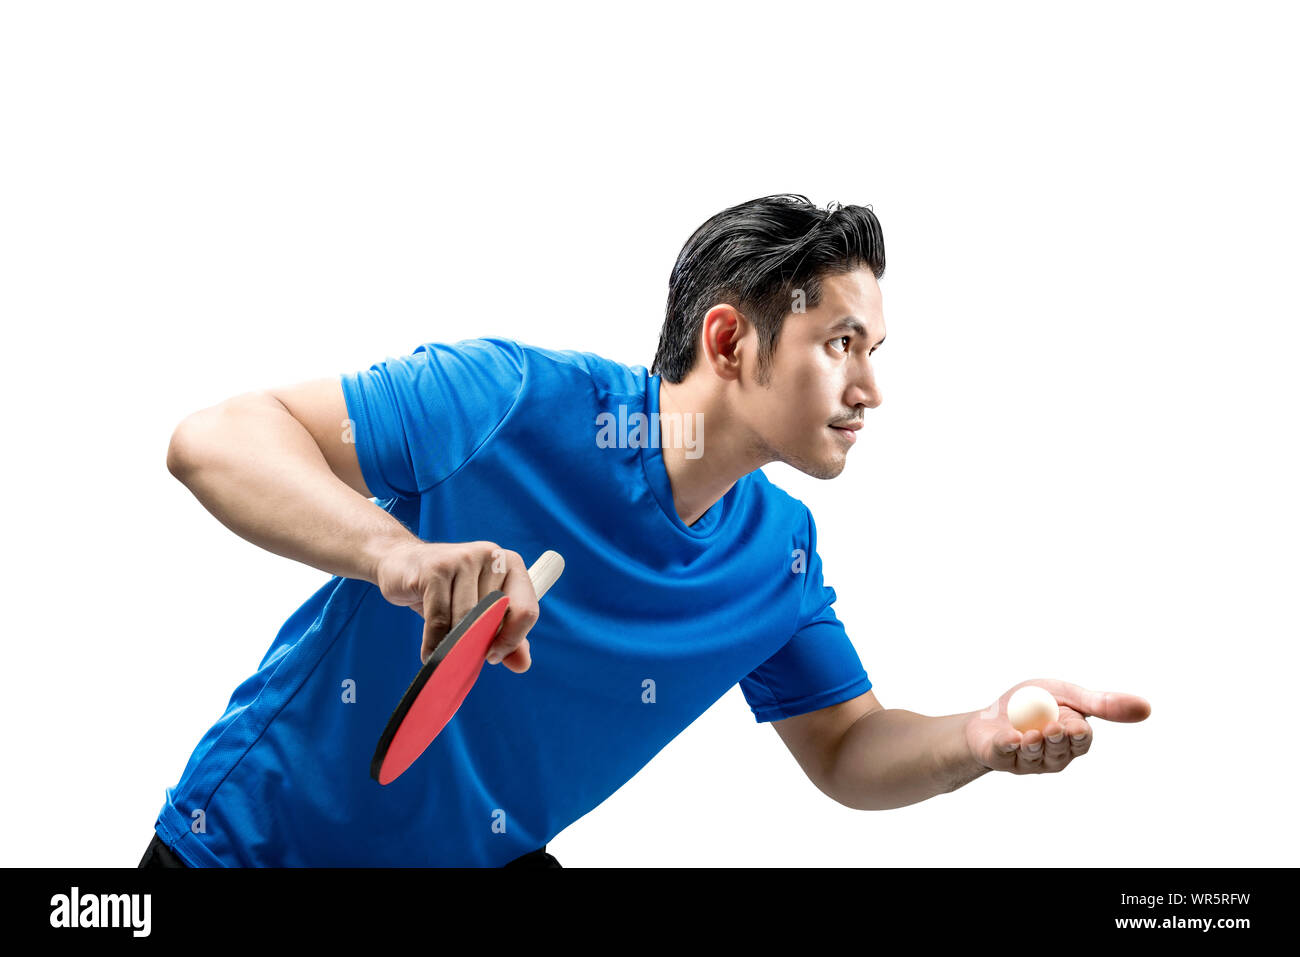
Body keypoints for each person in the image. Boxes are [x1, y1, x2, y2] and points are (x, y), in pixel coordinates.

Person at [146, 194, 1150, 867]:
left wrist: (972, 737)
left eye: (874, 350)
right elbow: (217, 439)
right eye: (841, 345)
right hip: (252, 849)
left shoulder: (779, 557)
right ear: (729, 340)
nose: (871, 388)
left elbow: (847, 748)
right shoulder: (510, 398)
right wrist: (397, 556)